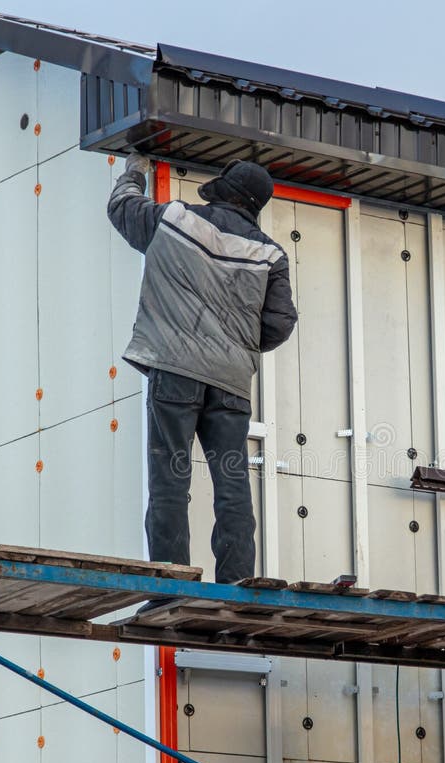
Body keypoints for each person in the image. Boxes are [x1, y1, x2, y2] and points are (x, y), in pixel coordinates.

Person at [108, 153, 296, 595]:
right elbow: (281, 323)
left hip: (175, 371)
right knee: (232, 484)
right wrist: (238, 345)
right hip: (231, 382)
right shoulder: (270, 254)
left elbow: (121, 207)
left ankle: (171, 586)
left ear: (223, 191)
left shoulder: (175, 220)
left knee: (171, 480)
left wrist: (134, 171)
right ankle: (237, 582)